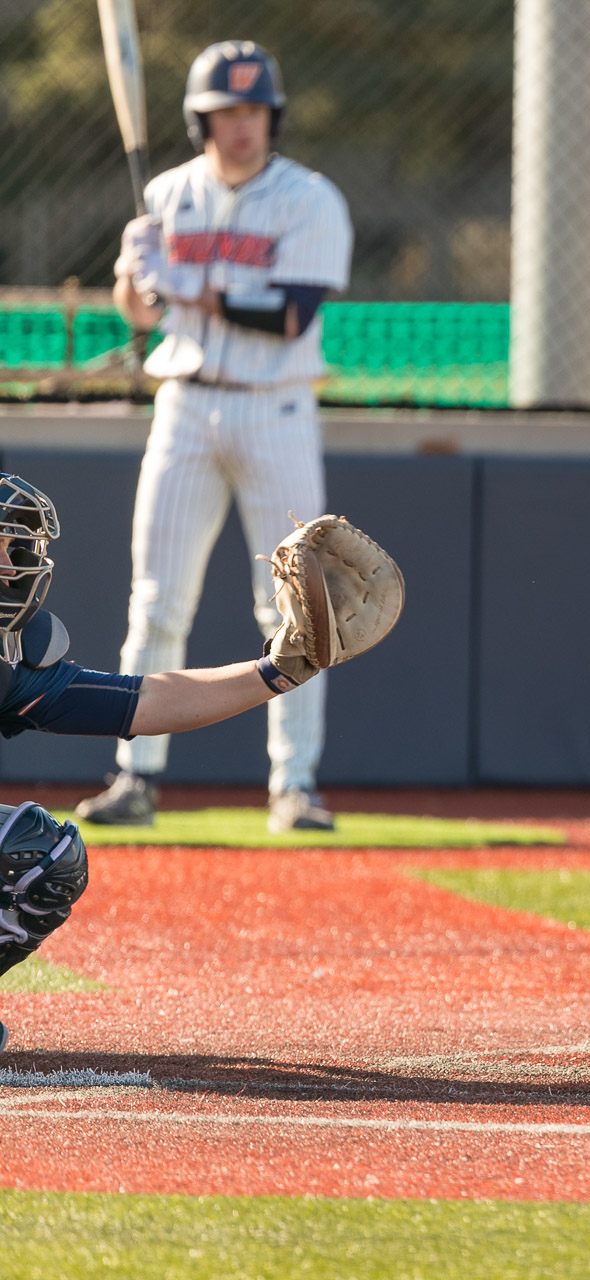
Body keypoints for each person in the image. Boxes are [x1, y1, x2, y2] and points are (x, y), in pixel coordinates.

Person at [85, 40, 352, 833]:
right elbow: (141, 313)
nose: (243, 125)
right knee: (158, 599)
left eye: (255, 110)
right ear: (202, 120)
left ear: (273, 117)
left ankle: (294, 785)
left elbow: (292, 315)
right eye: (227, 111)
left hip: (276, 410)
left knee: (296, 602)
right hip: (185, 406)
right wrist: (133, 279)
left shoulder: (309, 198)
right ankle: (135, 775)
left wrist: (191, 288)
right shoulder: (167, 193)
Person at [0, 473, 355, 1054]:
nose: (10, 567)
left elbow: (145, 700)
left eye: (12, 549)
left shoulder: (11, 660)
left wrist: (278, 670)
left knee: (40, 856)